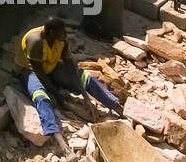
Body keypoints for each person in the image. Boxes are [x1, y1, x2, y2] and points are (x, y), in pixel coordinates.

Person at [14, 17, 122, 151]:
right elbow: (41, 75)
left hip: (50, 67)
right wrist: (61, 100)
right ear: (51, 32)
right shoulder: (35, 41)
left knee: (85, 76)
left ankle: (116, 106)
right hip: (30, 70)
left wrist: (86, 97)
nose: (64, 35)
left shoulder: (61, 40)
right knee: (40, 96)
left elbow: (71, 68)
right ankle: (60, 141)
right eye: (61, 32)